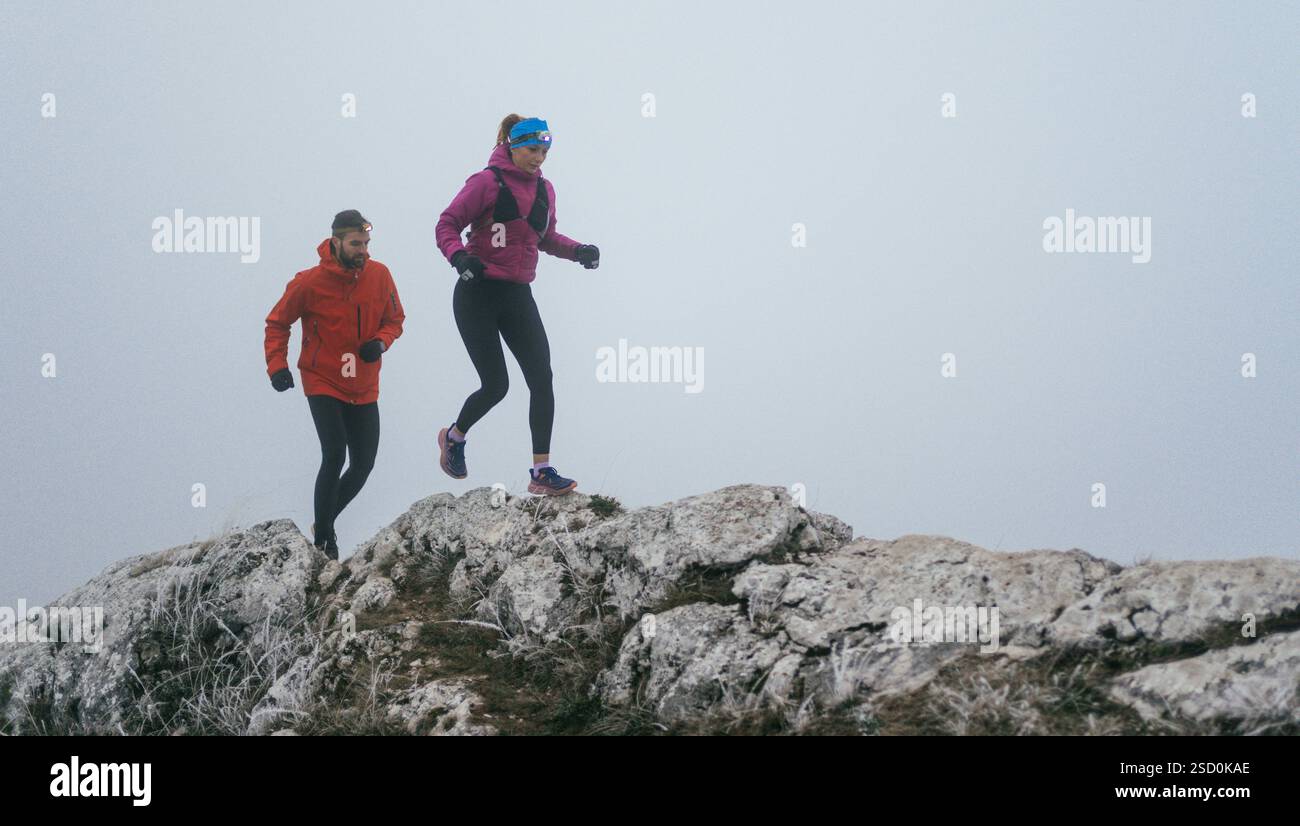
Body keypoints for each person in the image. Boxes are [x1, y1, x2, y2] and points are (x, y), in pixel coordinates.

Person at [434, 114, 600, 496]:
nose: (538, 158)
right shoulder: (485, 182)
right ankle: (454, 437)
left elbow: (546, 237)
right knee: (496, 385)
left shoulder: (545, 190)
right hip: (476, 292)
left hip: (517, 295)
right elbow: (446, 223)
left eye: (544, 151)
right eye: (531, 150)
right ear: (512, 145)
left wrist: (579, 252)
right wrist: (459, 258)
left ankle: (541, 471)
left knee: (542, 378)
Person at [264, 210, 405, 559]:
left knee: (363, 464)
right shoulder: (308, 283)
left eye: (366, 243)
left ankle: (321, 520)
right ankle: (325, 541)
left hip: (364, 383)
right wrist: (277, 366)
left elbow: (396, 319)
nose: (363, 250)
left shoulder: (380, 275)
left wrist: (382, 341)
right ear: (336, 241)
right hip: (322, 378)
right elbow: (277, 323)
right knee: (334, 452)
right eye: (356, 243)